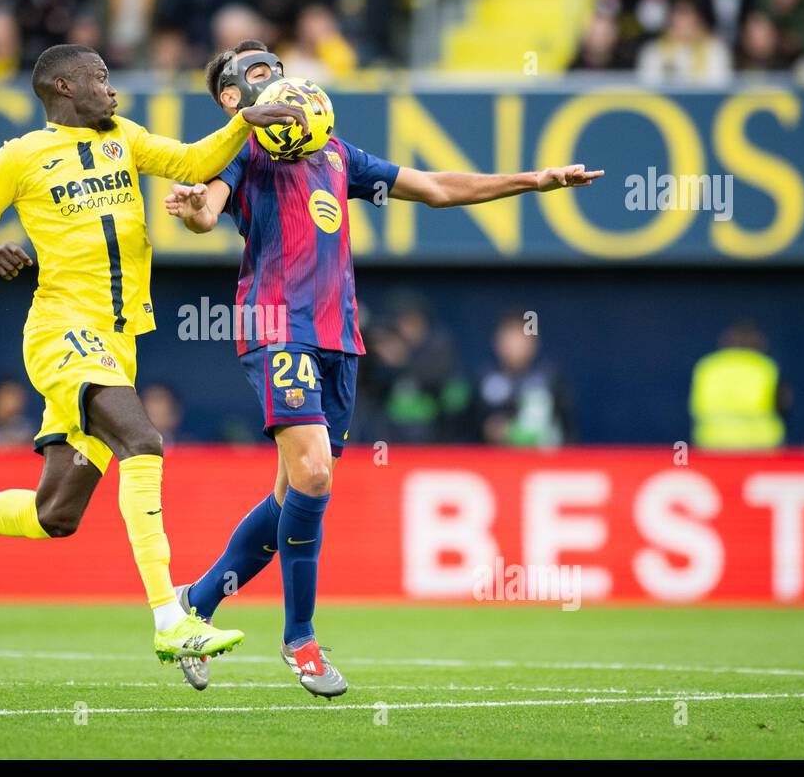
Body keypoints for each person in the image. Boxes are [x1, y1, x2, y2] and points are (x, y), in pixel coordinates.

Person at [0, 43, 307, 664]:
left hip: (117, 340)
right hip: (62, 330)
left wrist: (240, 123)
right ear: (63, 86)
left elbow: (195, 160)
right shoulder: (21, 156)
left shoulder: (126, 138)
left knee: (54, 514)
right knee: (143, 442)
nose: (112, 89)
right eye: (100, 78)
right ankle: (171, 617)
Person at [166, 40, 602, 695]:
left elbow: (436, 188)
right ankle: (301, 640)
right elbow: (205, 209)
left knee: (292, 494)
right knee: (313, 472)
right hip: (276, 325)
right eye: (257, 74)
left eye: (278, 69)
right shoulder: (242, 152)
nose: (277, 79)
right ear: (232, 100)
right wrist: (196, 207)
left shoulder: (337, 155)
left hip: (339, 338)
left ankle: (194, 605)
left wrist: (534, 180)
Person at [472, 311, 577, 447]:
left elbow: (568, 432)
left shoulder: (550, 379)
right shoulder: (483, 379)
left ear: (534, 342)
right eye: (510, 338)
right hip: (494, 463)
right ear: (497, 341)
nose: (515, 345)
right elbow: (470, 431)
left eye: (521, 337)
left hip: (542, 462)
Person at [689, 319, 788, 449]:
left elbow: (695, 406)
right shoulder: (765, 367)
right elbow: (783, 403)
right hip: (759, 444)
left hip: (713, 442)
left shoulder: (708, 366)